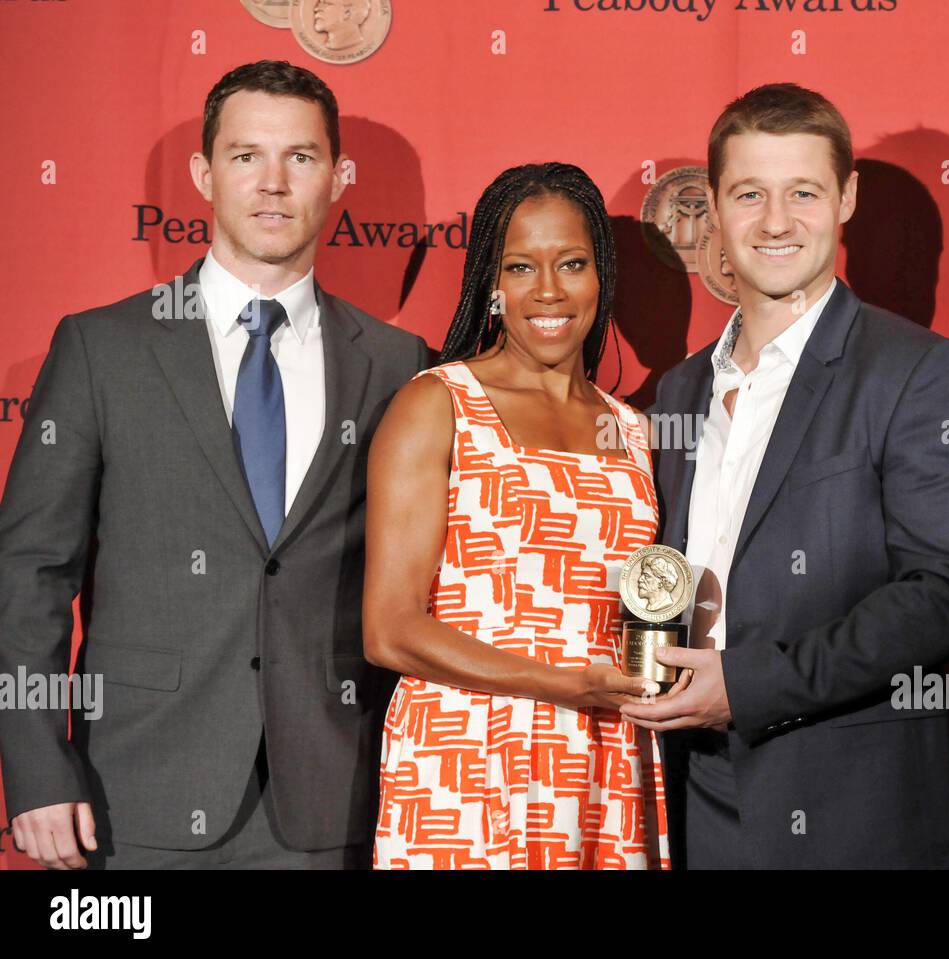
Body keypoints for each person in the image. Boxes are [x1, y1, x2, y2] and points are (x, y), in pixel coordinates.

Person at [0, 60, 432, 869]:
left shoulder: (398, 363)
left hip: (333, 794)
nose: (273, 183)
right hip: (133, 792)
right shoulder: (102, 348)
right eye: (245, 156)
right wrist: (34, 767)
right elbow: (30, 573)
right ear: (203, 174)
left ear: (337, 177)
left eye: (300, 157)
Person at [621, 83, 949, 868]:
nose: (775, 222)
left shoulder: (919, 371)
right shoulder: (681, 389)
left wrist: (751, 685)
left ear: (846, 199)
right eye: (749, 194)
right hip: (690, 800)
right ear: (714, 207)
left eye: (803, 192)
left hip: (853, 812)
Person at [365, 162, 669, 869]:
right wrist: (568, 684)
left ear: (601, 277)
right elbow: (389, 631)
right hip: (464, 758)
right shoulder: (437, 403)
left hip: (602, 756)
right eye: (521, 267)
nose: (549, 290)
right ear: (490, 284)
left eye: (572, 264)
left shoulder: (632, 430)